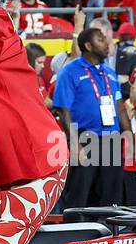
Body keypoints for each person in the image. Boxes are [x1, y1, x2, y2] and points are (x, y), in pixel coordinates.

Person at [54, 26, 129, 208]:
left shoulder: (109, 72)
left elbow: (119, 106)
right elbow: (63, 111)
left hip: (111, 139)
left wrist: (128, 134)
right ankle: (76, 232)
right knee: (81, 193)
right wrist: (75, 143)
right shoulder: (70, 71)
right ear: (88, 45)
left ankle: (110, 233)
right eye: (101, 39)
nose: (107, 43)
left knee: (111, 194)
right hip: (85, 138)